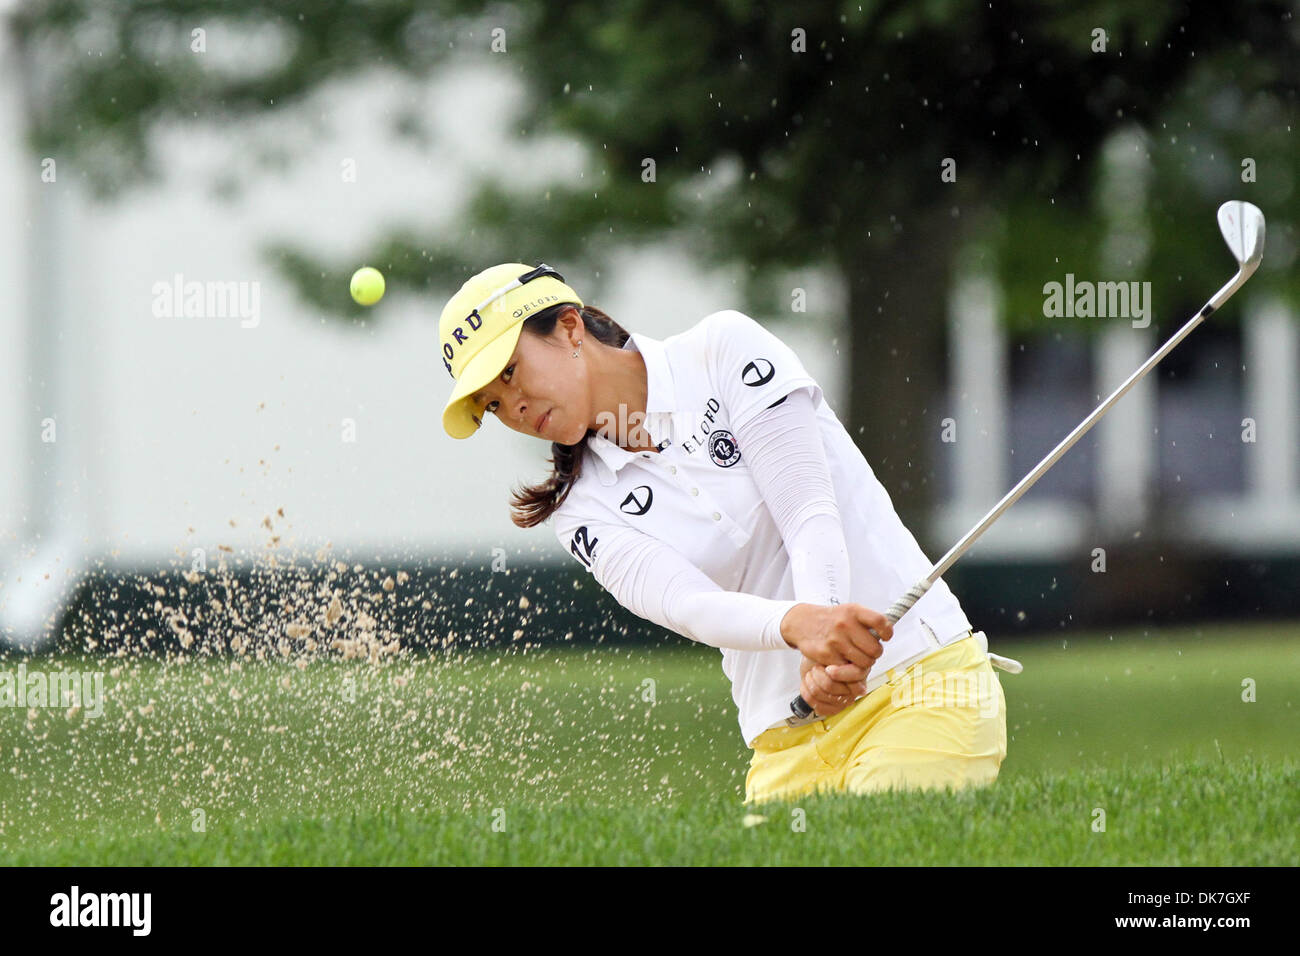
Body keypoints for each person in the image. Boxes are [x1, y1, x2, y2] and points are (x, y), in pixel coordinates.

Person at [439, 262, 1015, 803]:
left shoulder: (721, 348)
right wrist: (803, 630)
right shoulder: (579, 509)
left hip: (918, 680)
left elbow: (808, 511)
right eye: (492, 404)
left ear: (568, 328)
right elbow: (689, 604)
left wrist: (826, 640)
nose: (512, 406)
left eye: (510, 373)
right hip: (787, 734)